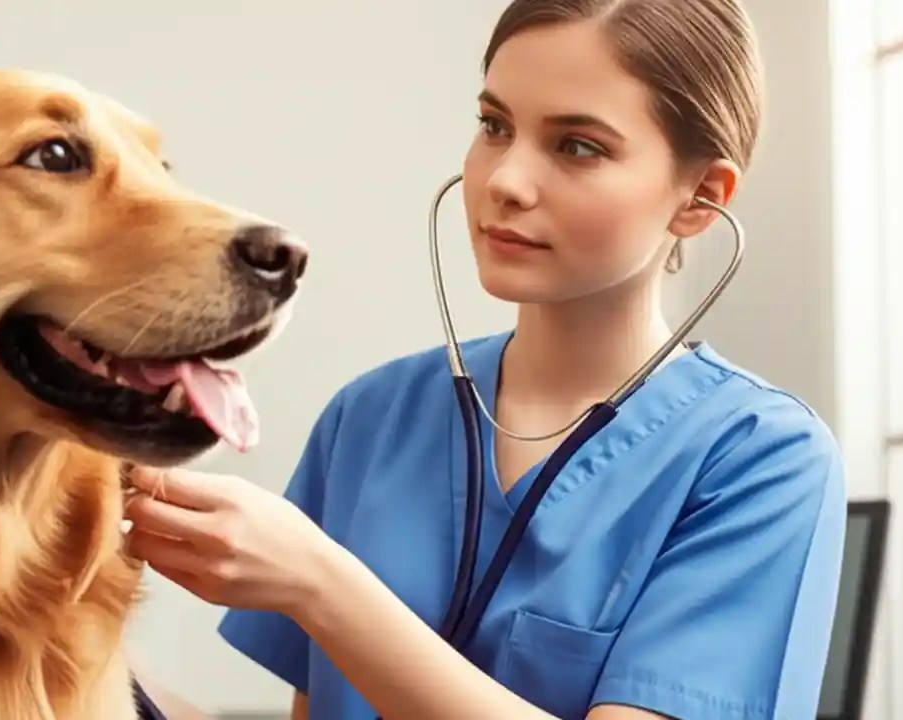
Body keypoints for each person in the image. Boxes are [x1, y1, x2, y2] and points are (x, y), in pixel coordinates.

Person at [123, 0, 847, 718]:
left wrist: (317, 581)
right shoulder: (371, 417)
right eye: (494, 126)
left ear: (699, 197)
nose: (504, 181)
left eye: (578, 146)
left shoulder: (762, 460)